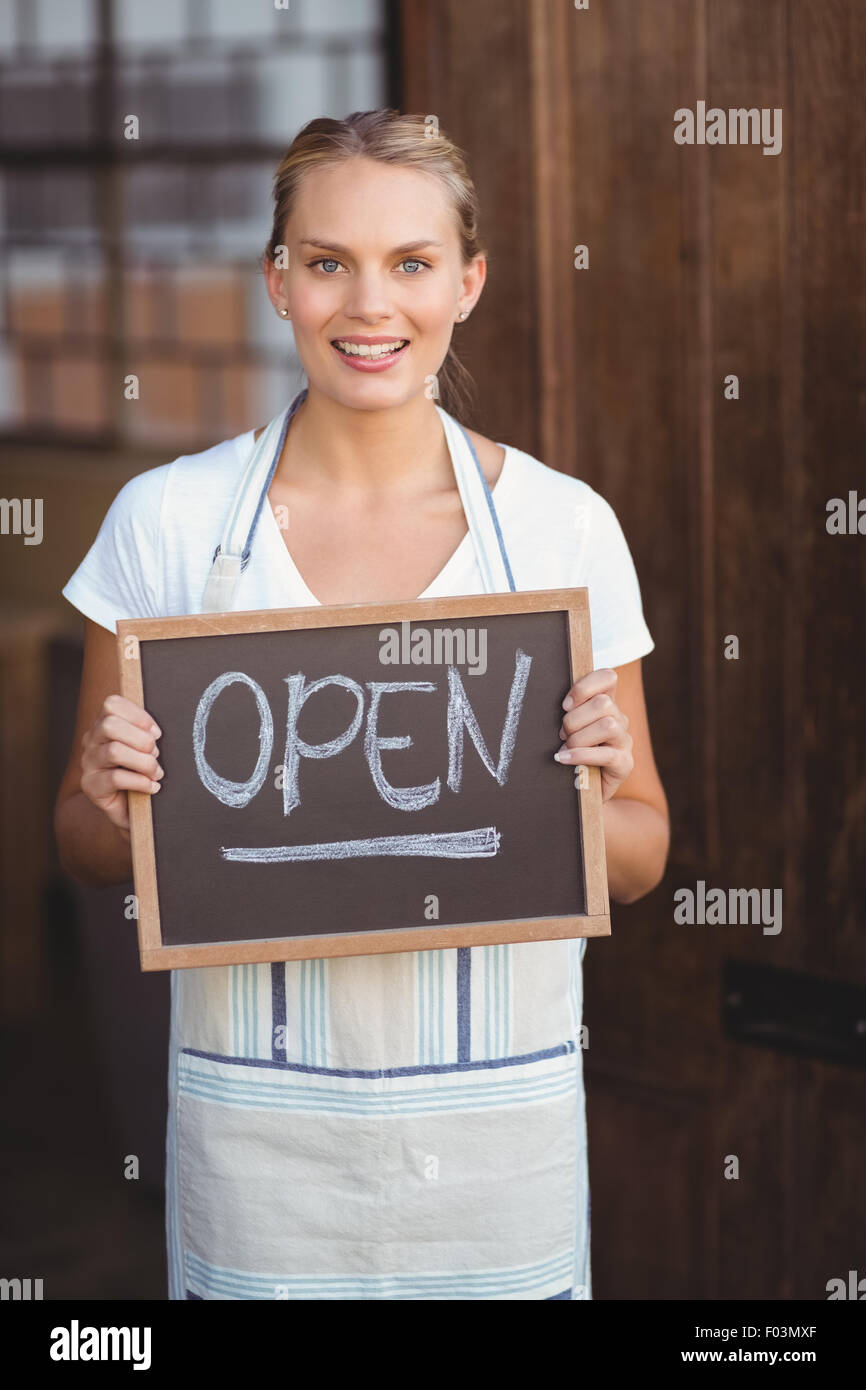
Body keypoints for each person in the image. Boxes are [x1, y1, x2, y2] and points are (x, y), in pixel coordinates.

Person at [54, 108, 669, 1301]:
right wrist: (103, 791)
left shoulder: (561, 528)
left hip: (497, 1154)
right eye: (327, 262)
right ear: (277, 281)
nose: (368, 305)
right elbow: (83, 851)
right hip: (260, 1164)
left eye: (411, 263)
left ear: (468, 282)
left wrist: (594, 790)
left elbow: (642, 853)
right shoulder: (168, 524)